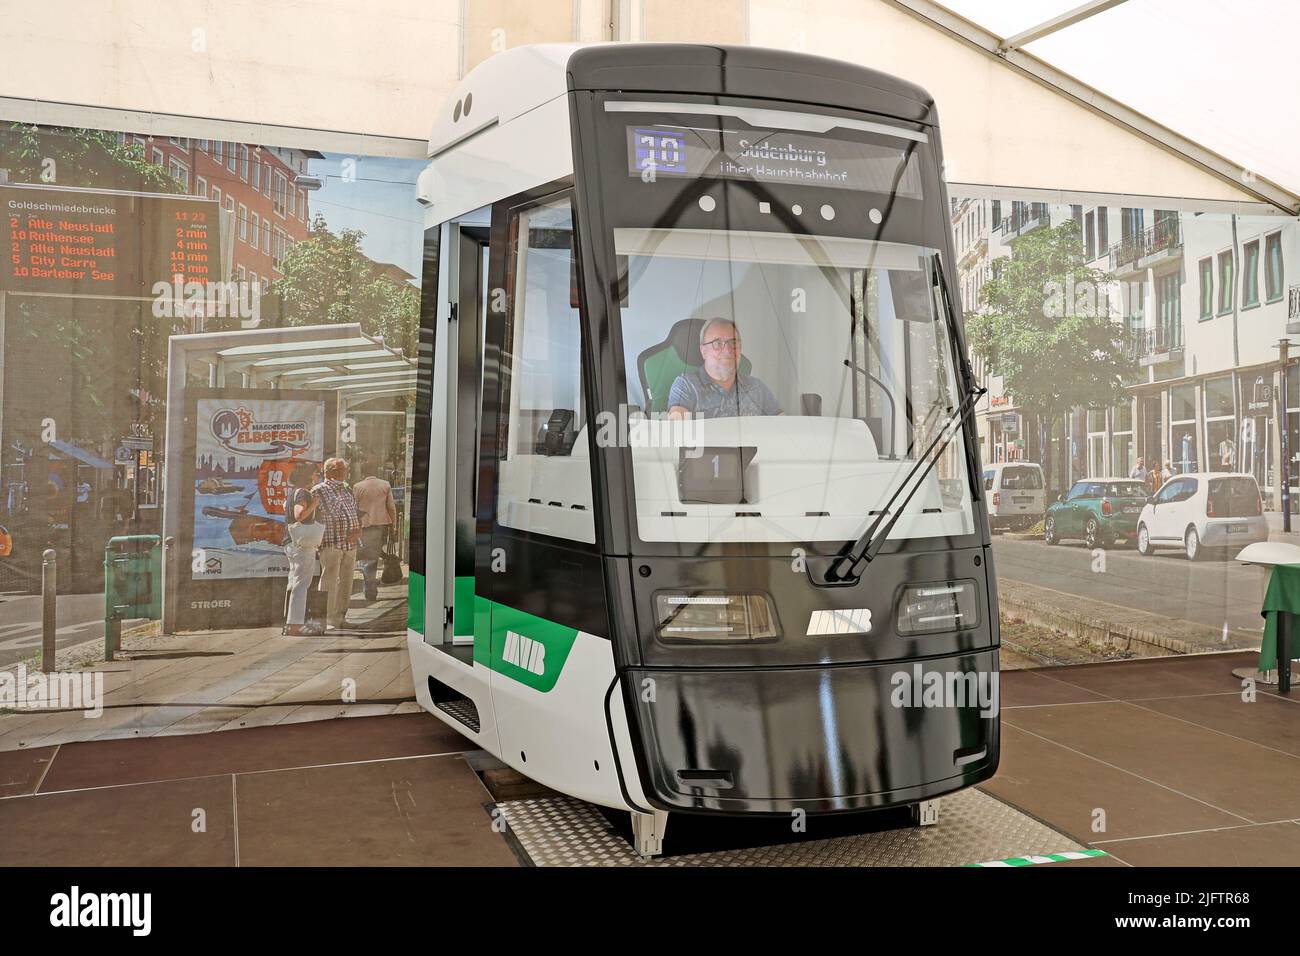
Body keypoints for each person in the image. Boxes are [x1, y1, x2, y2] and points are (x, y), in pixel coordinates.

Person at [666, 318, 782, 420]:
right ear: (703, 351)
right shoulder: (686, 385)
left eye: (733, 342)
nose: (728, 349)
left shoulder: (757, 387)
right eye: (717, 343)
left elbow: (784, 429)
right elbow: (677, 432)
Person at [313, 457, 361, 630]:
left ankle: (340, 617)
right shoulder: (319, 490)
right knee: (329, 581)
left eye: (345, 470)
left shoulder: (347, 489)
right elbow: (327, 513)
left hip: (350, 543)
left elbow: (354, 511)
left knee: (347, 582)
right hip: (331, 541)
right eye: (339, 470)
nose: (344, 473)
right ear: (328, 472)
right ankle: (327, 618)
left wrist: (358, 530)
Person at [283, 461, 324, 637]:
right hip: (302, 544)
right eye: (315, 473)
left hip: (291, 542)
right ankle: (295, 624)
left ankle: (289, 621)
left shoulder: (293, 492)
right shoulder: (303, 494)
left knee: (294, 581)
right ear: (309, 476)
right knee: (301, 583)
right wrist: (314, 504)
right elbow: (299, 515)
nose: (317, 476)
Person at [353, 459, 397, 602]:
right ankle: (370, 586)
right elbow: (391, 507)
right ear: (376, 470)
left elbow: (354, 509)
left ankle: (369, 586)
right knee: (375, 555)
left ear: (363, 471)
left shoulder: (357, 487)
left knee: (367, 557)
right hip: (382, 526)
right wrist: (393, 525)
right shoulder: (385, 485)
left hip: (364, 526)